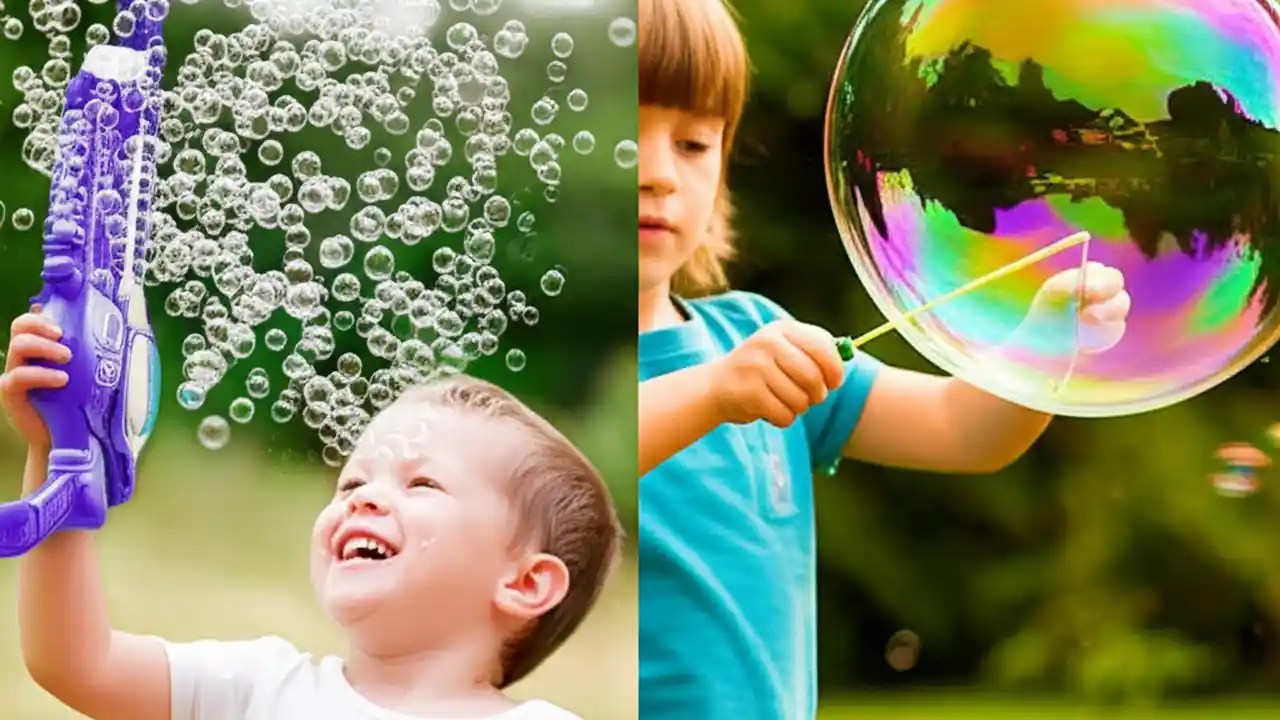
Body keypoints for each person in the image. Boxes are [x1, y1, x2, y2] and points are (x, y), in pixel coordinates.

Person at [635, 0, 1132, 717]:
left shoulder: (753, 336)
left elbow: (963, 429)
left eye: (692, 144)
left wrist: (1042, 345)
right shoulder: (546, 372)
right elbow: (571, 465)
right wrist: (713, 393)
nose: (659, 174)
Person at [2, 307, 623, 720]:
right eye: (352, 480)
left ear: (524, 582)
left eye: (424, 483)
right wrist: (61, 450)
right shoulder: (257, 688)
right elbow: (74, 661)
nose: (364, 497)